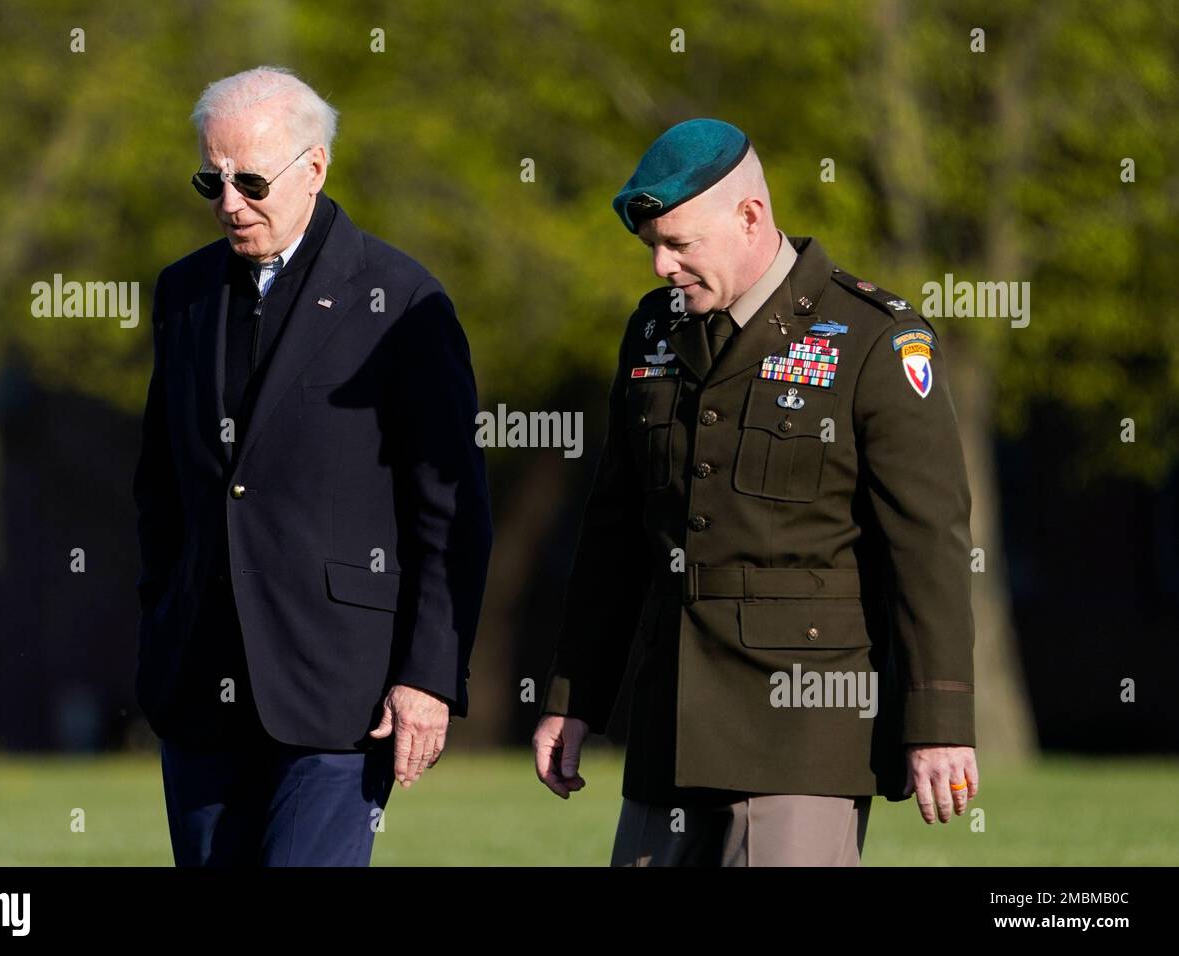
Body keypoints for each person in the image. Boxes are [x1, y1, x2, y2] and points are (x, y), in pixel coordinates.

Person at [533, 118, 980, 866]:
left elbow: (928, 544)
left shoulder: (873, 338)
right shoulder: (653, 332)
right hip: (668, 724)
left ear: (749, 216)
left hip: (802, 727)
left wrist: (938, 722)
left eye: (680, 244)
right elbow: (615, 536)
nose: (661, 267)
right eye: (652, 247)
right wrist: (574, 697)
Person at [133, 66, 492, 866]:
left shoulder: (401, 302)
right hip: (199, 691)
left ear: (316, 168)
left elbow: (450, 511)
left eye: (252, 180)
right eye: (211, 179)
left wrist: (428, 678)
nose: (230, 202)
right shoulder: (183, 295)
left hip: (341, 693)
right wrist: (160, 624)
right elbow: (160, 487)